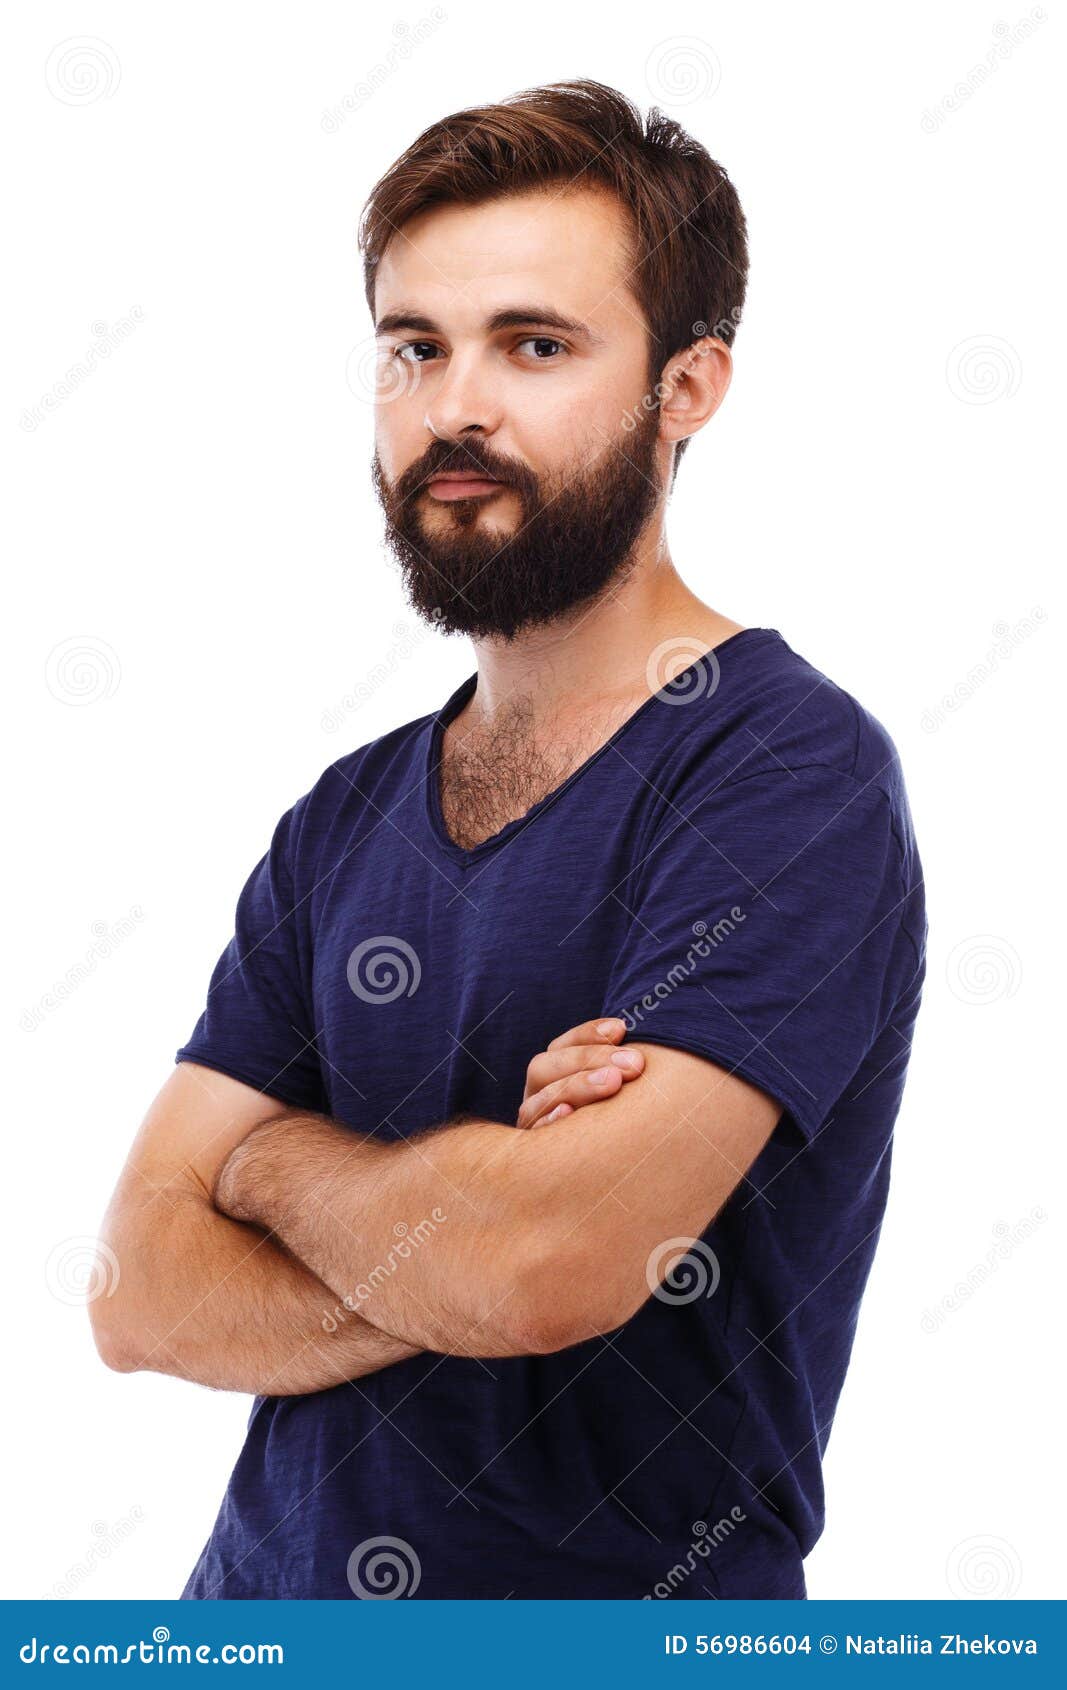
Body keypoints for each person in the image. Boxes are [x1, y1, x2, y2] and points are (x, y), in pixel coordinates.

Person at [90, 79, 927, 1601]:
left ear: (689, 387)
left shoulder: (788, 774)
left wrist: (270, 1164)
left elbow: (547, 1267)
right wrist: (467, 1219)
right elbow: (138, 1289)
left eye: (535, 346)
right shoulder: (342, 818)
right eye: (416, 348)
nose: (453, 406)